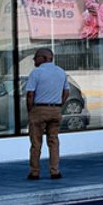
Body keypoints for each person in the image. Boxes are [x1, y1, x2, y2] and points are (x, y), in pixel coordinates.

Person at [23, 47, 69, 180]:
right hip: (55, 109)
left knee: (36, 143)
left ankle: (34, 172)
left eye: (36, 57)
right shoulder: (61, 72)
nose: (34, 60)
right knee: (53, 141)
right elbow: (66, 91)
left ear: (44, 58)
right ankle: (55, 171)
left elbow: (30, 94)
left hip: (39, 109)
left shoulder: (36, 73)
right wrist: (60, 104)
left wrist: (30, 111)